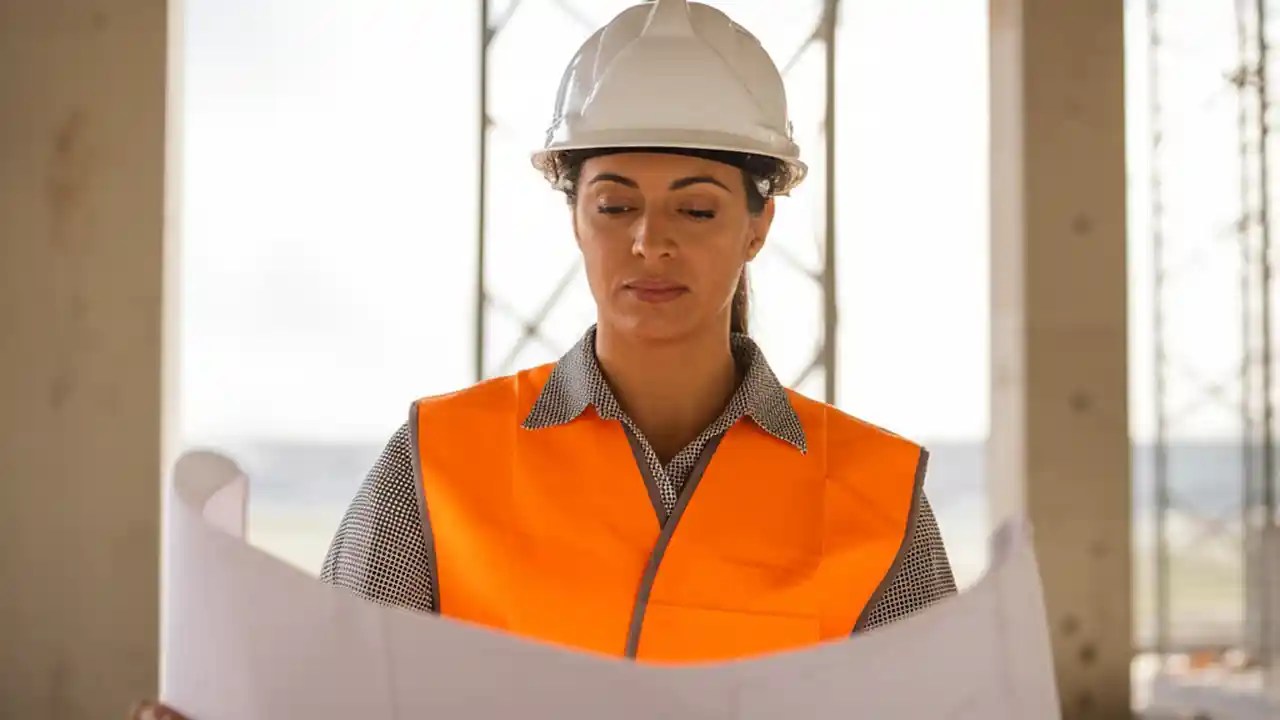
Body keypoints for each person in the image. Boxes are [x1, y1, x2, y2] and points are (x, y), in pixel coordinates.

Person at [318, 0, 956, 663]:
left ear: (757, 229)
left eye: (697, 208)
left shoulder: (875, 497)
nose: (651, 242)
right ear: (577, 220)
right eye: (616, 206)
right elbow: (329, 692)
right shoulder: (438, 464)